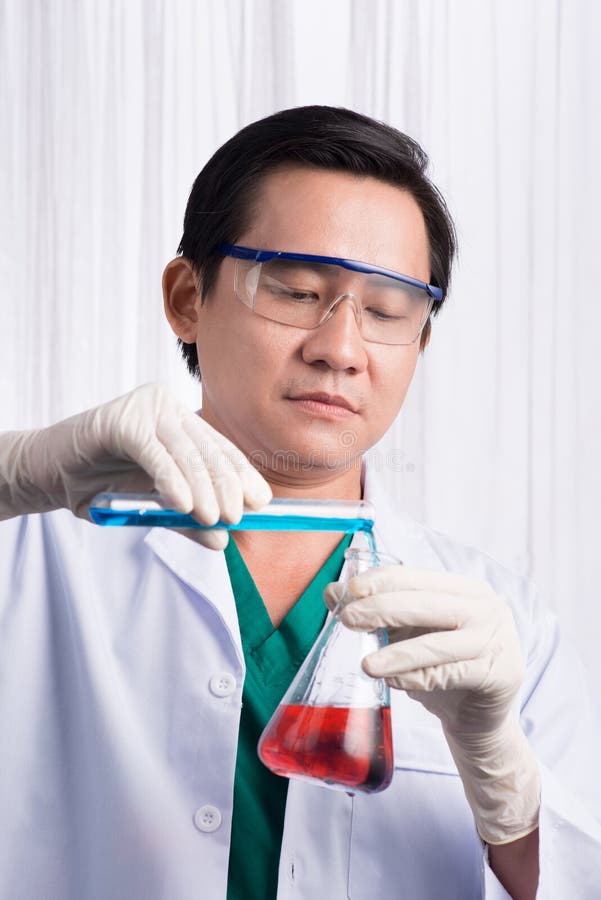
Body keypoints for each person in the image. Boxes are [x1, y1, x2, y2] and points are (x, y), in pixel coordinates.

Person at [0, 106, 599, 900]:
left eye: (386, 312)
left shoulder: (504, 625)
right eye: (295, 290)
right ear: (187, 296)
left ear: (418, 341)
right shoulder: (31, 550)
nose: (340, 349)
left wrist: (502, 778)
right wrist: (14, 470)